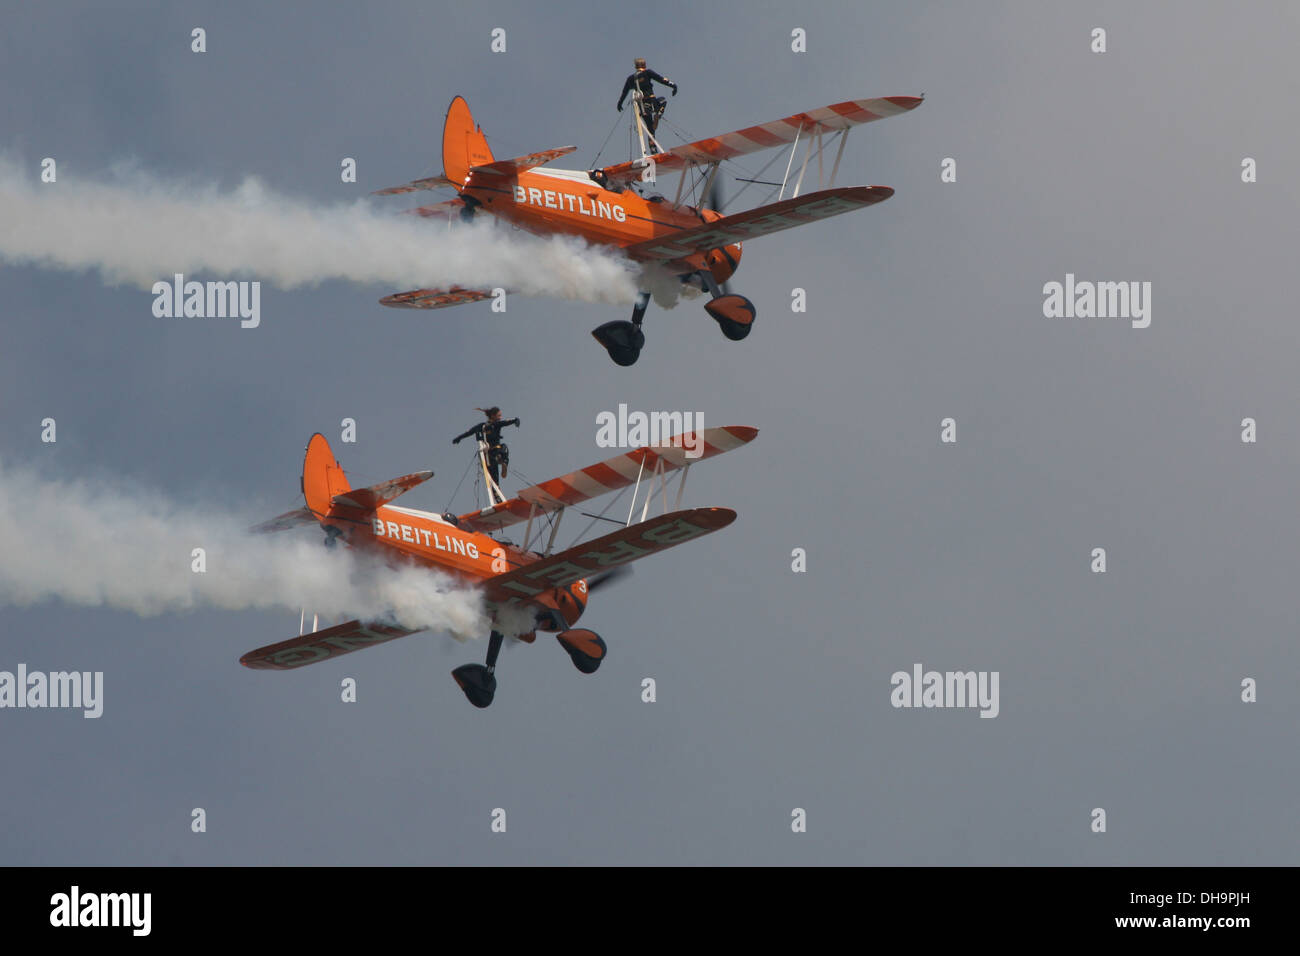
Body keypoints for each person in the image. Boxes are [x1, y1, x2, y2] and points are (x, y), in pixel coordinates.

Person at [616, 57, 677, 152]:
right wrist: (673, 85)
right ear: (644, 65)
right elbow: (661, 79)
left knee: (650, 129)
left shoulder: (631, 79)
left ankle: (653, 151)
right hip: (651, 100)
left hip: (642, 106)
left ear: (636, 66)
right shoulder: (647, 73)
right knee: (663, 101)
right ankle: (658, 114)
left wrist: (620, 103)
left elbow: (624, 92)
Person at [453, 407, 520, 490]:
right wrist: (515, 420)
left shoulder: (482, 426)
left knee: (494, 479)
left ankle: (502, 463)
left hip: (489, 455)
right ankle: (502, 461)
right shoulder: (490, 425)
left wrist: (459, 438)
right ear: (493, 416)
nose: (500, 418)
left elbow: (468, 432)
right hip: (491, 454)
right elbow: (506, 422)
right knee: (504, 448)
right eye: (499, 416)